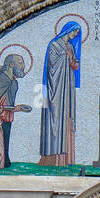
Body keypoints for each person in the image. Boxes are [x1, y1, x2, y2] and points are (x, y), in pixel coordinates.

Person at [40, 23, 82, 165]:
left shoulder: (70, 46)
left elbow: (75, 65)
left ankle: (66, 159)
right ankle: (52, 158)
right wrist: (65, 58)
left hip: (67, 86)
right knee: (56, 117)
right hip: (56, 87)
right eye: (74, 32)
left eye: (77, 33)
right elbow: (51, 66)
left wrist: (71, 60)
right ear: (68, 30)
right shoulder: (54, 45)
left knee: (67, 117)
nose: (75, 35)